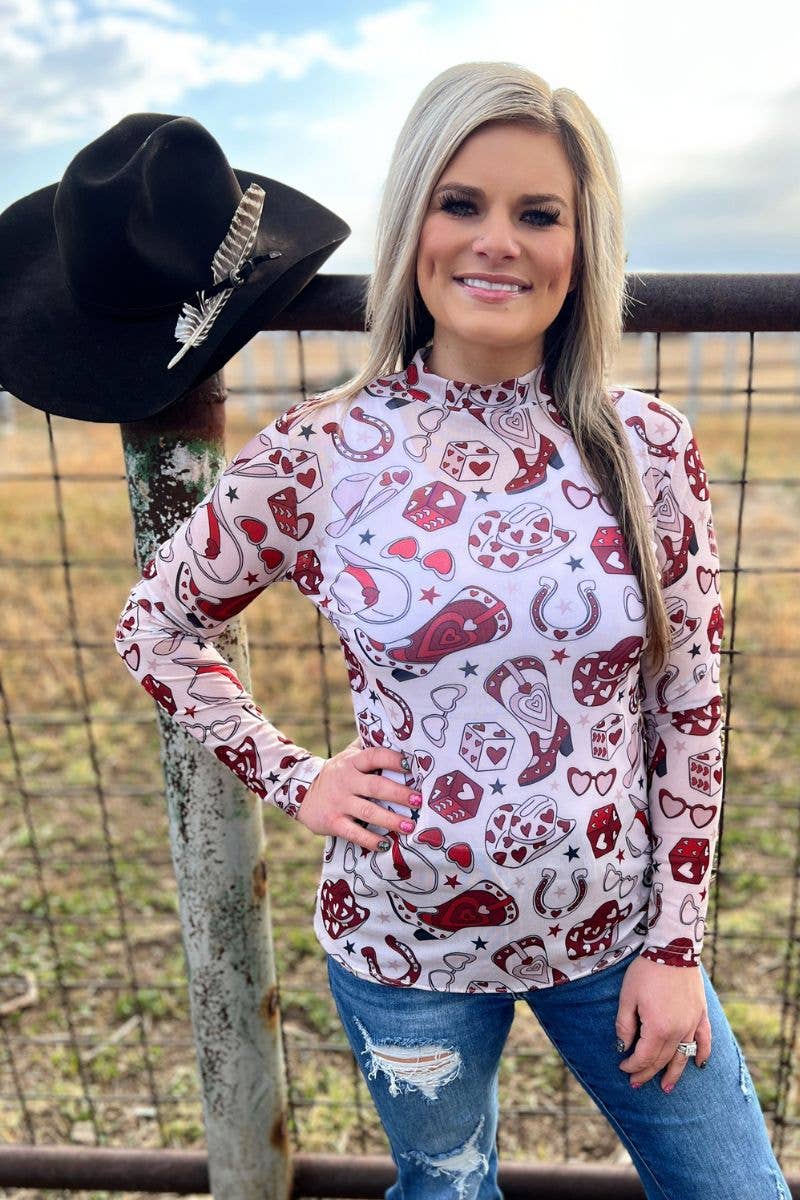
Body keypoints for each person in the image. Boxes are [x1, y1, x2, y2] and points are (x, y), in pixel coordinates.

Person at [115, 62, 790, 1200]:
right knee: (446, 1191)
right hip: (405, 948)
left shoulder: (648, 446)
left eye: (540, 214)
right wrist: (296, 778)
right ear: (411, 224)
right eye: (460, 203)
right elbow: (157, 626)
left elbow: (689, 704)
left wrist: (675, 947)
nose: (497, 243)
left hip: (618, 935)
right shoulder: (324, 451)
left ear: (583, 243)